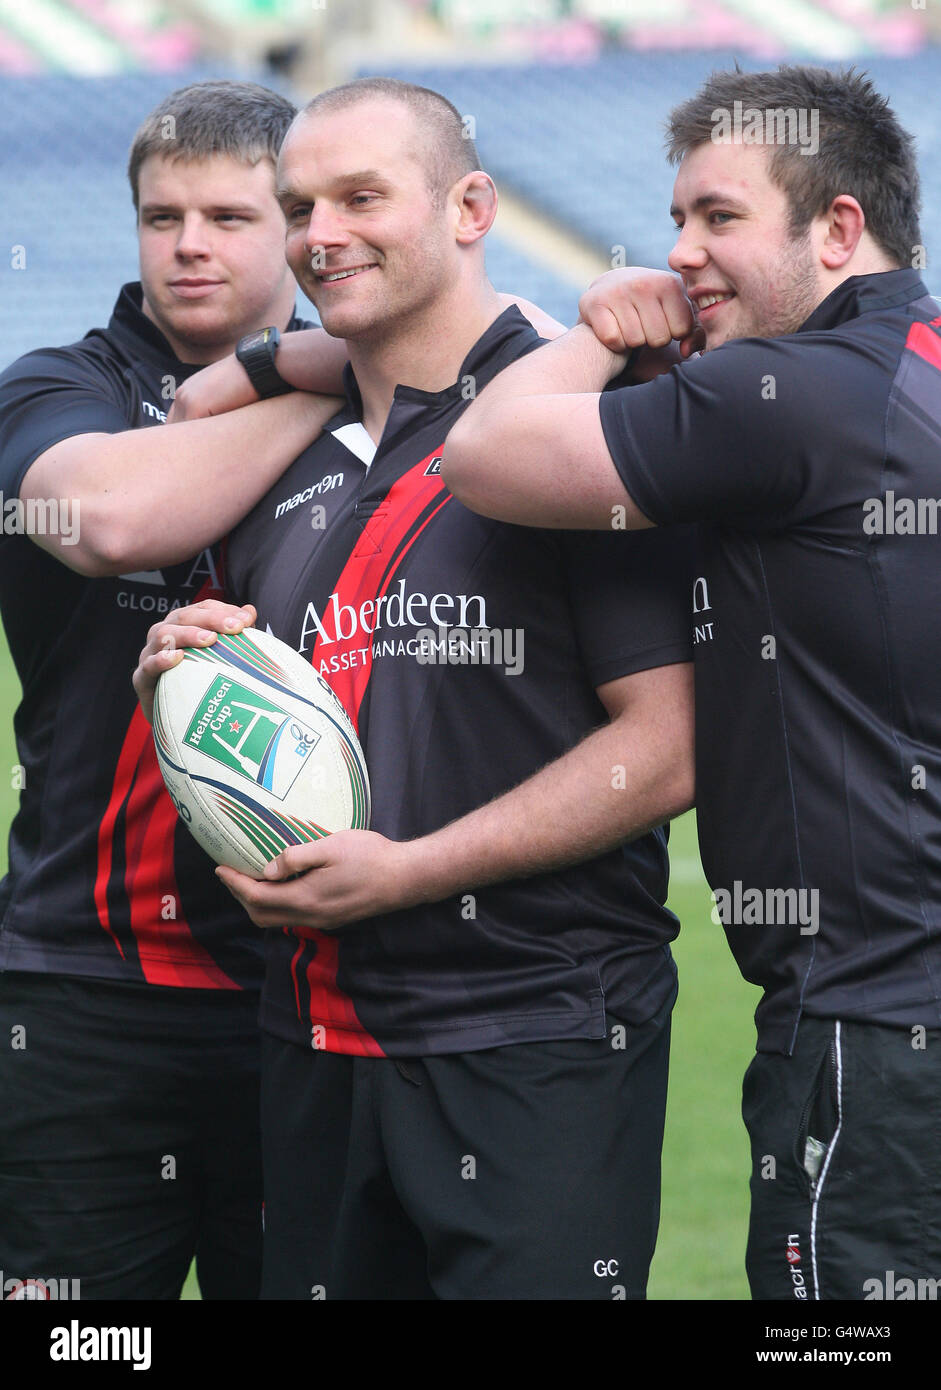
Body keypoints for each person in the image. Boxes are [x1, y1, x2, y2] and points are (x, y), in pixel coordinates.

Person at [133, 75, 697, 1301]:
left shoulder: (576, 424)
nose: (319, 231)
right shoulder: (292, 456)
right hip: (312, 1047)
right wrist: (181, 682)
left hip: (532, 1036)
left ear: (470, 205)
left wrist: (411, 870)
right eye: (298, 205)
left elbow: (664, 748)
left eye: (361, 195)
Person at [442, 64, 941, 1301]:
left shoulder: (797, 394)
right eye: (673, 222)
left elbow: (485, 456)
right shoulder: (910, 366)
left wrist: (598, 323)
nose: (679, 253)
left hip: (870, 1021)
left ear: (836, 229)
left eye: (716, 218)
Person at [0, 80, 348, 1301]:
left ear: (298, 228)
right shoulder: (52, 388)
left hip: (306, 983)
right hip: (85, 987)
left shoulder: (390, 419)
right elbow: (106, 515)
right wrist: (324, 378)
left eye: (228, 217)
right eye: (163, 218)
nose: (189, 244)